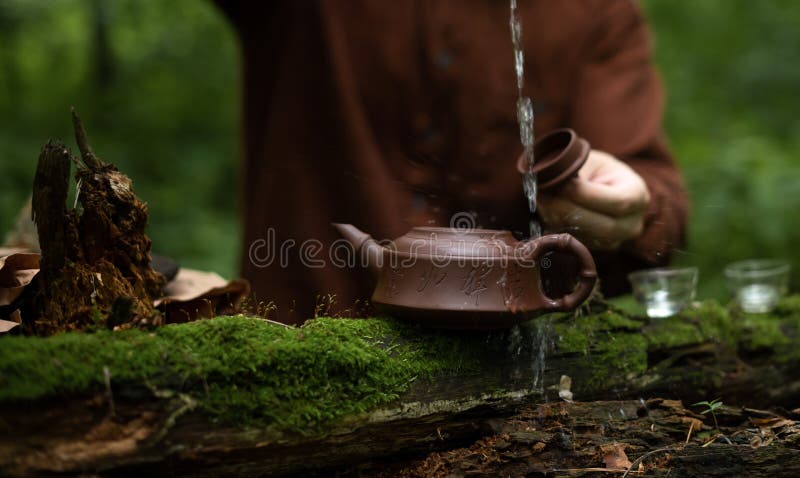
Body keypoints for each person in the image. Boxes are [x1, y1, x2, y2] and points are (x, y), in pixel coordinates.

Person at [215, 0, 688, 324]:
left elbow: (660, 212)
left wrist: (626, 206)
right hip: (306, 370)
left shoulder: (595, 15)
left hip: (520, 399)